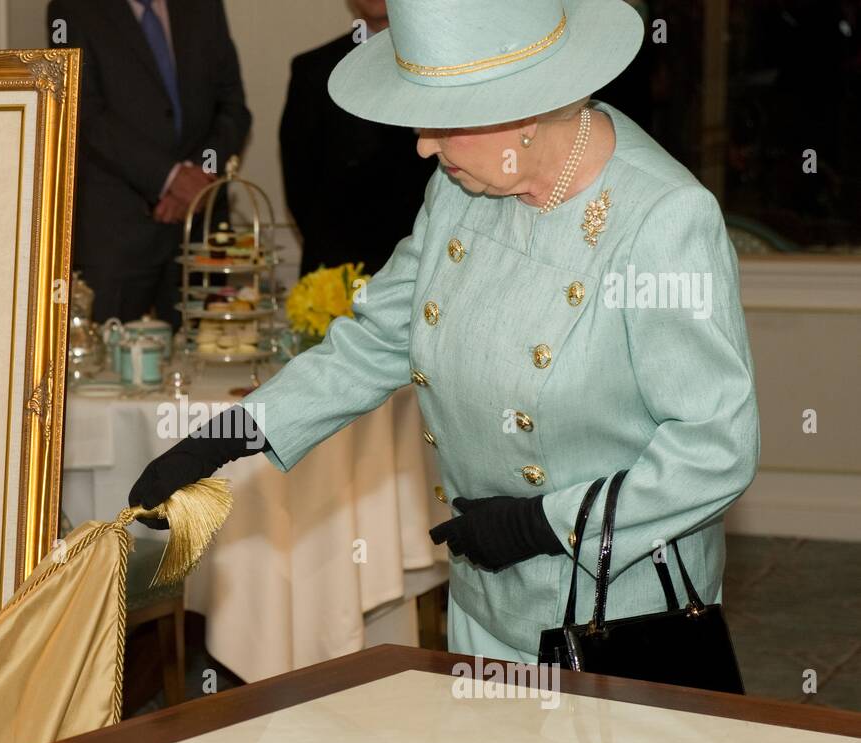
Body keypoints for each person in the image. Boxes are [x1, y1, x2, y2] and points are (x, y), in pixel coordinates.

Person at [129, 0, 760, 663]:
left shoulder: (663, 218)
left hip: (617, 615)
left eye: (444, 122)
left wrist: (542, 523)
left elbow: (717, 445)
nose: (424, 145)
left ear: (522, 110)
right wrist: (228, 436)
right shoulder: (462, 188)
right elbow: (376, 340)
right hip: (485, 598)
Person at [48, 0, 252, 329]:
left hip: (199, 229)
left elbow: (232, 104)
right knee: (107, 366)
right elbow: (84, 112)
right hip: (116, 235)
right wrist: (170, 178)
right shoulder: (73, 10)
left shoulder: (204, 7)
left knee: (209, 361)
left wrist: (200, 175)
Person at [280, 0, 434, 275]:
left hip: (428, 265)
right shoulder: (314, 70)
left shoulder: (443, 66)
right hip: (339, 274)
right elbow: (300, 184)